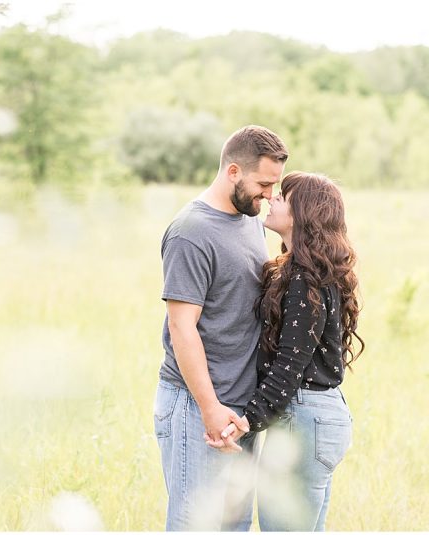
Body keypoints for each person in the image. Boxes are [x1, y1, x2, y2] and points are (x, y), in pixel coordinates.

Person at [206, 172, 364, 531]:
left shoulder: (304, 280)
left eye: (283, 197)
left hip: (303, 420)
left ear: (302, 213)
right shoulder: (314, 273)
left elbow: (290, 365)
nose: (272, 198)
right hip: (322, 415)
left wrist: (247, 422)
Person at [154, 125, 289, 531]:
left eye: (274, 185)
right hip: (197, 407)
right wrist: (210, 408)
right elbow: (182, 328)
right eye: (263, 184)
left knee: (233, 526)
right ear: (233, 171)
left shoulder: (250, 220)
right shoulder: (191, 233)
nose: (269, 195)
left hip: (241, 411)